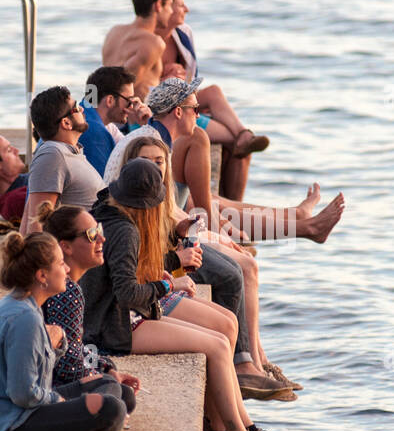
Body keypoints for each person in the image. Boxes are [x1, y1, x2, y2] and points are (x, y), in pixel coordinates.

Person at [80, 159, 290, 431]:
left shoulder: (109, 214)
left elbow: (128, 275)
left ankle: (238, 426)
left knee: (222, 332)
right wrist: (165, 284)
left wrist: (167, 264)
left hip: (116, 313)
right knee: (217, 346)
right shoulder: (124, 231)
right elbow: (127, 293)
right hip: (113, 324)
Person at [116, 134, 302, 397]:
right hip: (140, 309)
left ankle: (248, 383)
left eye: (159, 161)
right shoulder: (129, 213)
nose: (154, 168)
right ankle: (239, 404)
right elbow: (136, 275)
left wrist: (181, 238)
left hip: (157, 289)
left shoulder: (159, 200)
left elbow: (158, 251)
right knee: (228, 301)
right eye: (145, 161)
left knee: (228, 320)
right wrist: (172, 277)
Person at [132, 76, 346, 245]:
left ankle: (298, 217)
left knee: (213, 203)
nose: (199, 116)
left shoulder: (150, 137)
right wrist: (220, 237)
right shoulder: (159, 145)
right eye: (196, 110)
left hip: (161, 216)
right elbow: (180, 213)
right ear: (178, 112)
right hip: (159, 232)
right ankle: (307, 228)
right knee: (211, 206)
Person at [0, 231, 131, 431]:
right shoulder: (24, 318)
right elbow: (23, 394)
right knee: (113, 408)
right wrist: (60, 401)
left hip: (20, 410)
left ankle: (89, 430)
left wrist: (58, 343)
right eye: (61, 263)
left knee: (111, 385)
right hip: (10, 423)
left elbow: (36, 373)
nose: (67, 269)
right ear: (42, 276)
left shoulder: (23, 306)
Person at [156, 0, 268, 201]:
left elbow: (193, 81)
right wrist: (165, 81)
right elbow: (148, 93)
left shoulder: (183, 34)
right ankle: (242, 137)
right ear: (165, 7)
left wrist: (181, 80)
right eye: (180, 5)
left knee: (214, 91)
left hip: (186, 100)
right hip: (171, 109)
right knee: (235, 142)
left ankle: (244, 138)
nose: (186, 9)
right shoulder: (151, 43)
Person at [37, 202, 142, 415]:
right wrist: (99, 377)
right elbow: (67, 366)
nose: (102, 239)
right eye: (92, 234)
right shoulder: (66, 291)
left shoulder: (63, 285)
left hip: (49, 382)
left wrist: (106, 367)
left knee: (122, 393)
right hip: (47, 389)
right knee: (114, 392)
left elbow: (73, 348)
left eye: (100, 231)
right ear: (66, 247)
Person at [20, 86, 106, 234]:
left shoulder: (68, 152)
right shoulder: (53, 154)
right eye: (76, 108)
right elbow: (35, 224)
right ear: (66, 123)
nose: (83, 110)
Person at [101, 0, 176, 99]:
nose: (171, 11)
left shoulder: (114, 32)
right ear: (158, 5)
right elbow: (120, 91)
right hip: (139, 115)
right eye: (169, 5)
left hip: (108, 108)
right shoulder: (153, 43)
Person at [76, 65, 153, 177]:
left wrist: (147, 125)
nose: (131, 107)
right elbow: (104, 186)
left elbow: (132, 151)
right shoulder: (93, 130)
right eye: (129, 100)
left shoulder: (89, 113)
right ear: (110, 100)